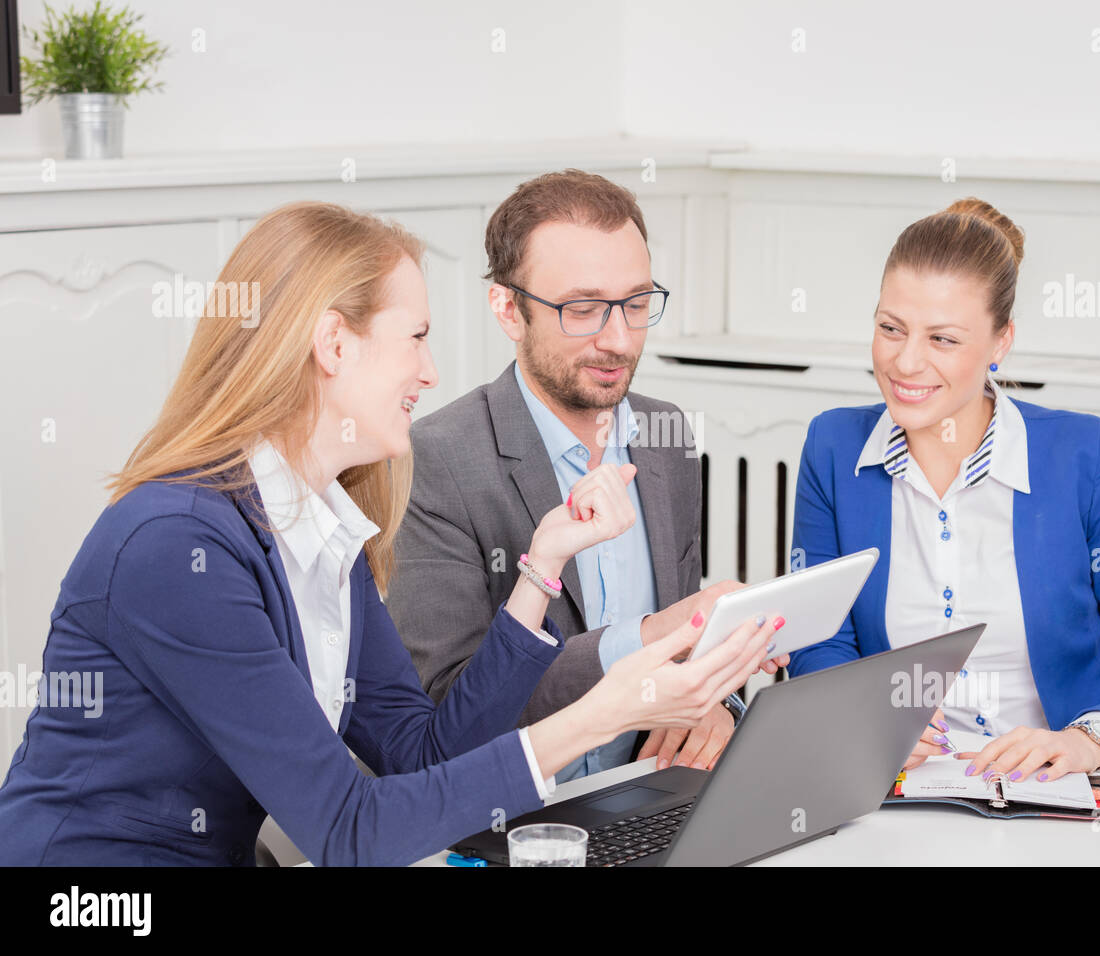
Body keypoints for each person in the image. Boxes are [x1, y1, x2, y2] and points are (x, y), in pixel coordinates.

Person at [0, 200, 778, 866]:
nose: (432, 372)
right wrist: (605, 710)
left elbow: (423, 752)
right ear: (334, 345)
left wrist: (540, 573)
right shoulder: (174, 545)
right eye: (416, 338)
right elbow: (349, 831)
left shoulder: (320, 526)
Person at [788, 197, 1100, 785]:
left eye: (943, 340)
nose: (905, 362)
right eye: (890, 328)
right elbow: (819, 642)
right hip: (916, 792)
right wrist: (862, 718)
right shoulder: (833, 449)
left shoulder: (1087, 456)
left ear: (1000, 342)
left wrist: (1087, 742)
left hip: (1085, 793)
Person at [389, 170, 785, 782]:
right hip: (520, 821)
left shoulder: (666, 435)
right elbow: (450, 714)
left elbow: (692, 651)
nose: (619, 339)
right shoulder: (436, 460)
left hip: (653, 794)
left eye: (635, 302)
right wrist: (654, 633)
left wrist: (714, 706)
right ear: (508, 310)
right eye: (583, 308)